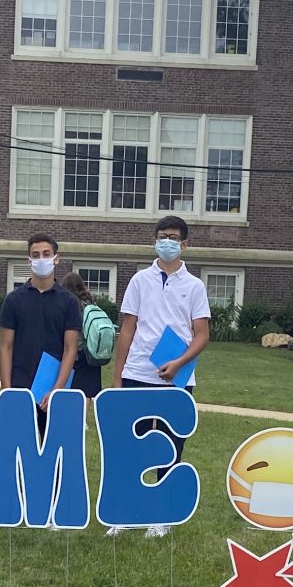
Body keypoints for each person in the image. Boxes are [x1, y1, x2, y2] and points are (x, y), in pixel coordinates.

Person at [107, 215, 211, 539]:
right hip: (138, 373)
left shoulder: (194, 286)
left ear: (184, 244)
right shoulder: (140, 280)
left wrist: (179, 363)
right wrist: (118, 377)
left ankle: (162, 515)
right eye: (162, 236)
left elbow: (201, 334)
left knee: (170, 447)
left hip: (176, 379)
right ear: (154, 240)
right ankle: (127, 512)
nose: (167, 242)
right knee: (131, 447)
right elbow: (127, 329)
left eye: (174, 238)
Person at [0, 235, 81, 411]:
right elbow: (6, 347)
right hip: (20, 386)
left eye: (46, 254)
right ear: (29, 260)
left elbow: (70, 349)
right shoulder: (13, 300)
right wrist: (7, 391)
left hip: (52, 386)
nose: (41, 259)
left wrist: (56, 390)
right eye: (35, 255)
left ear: (56, 258)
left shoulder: (69, 302)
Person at [62, 270, 116, 402]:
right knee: (87, 392)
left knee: (75, 391)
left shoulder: (71, 303)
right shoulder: (91, 302)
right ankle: (85, 414)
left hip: (78, 353)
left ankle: (77, 414)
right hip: (93, 351)